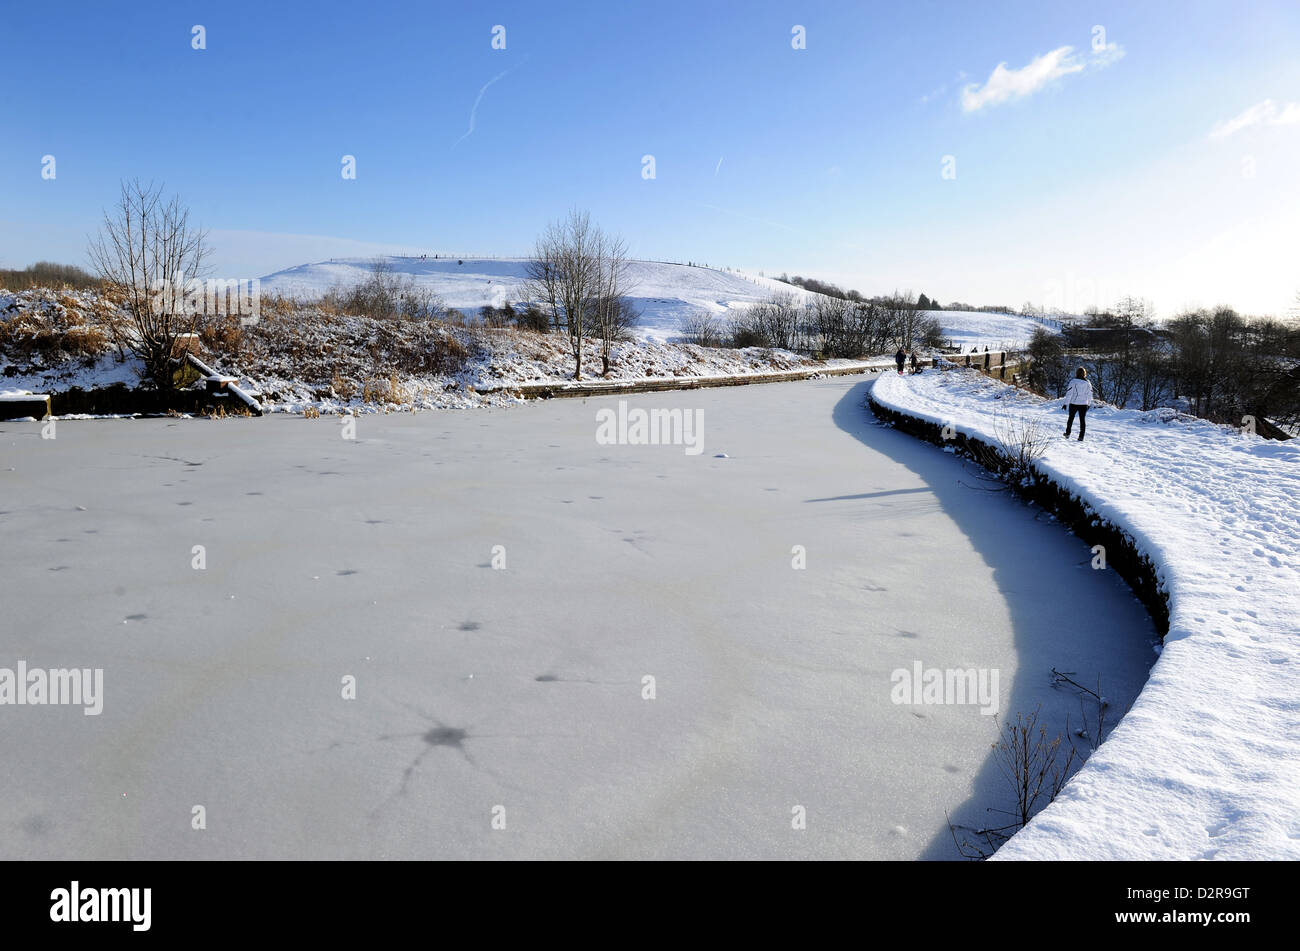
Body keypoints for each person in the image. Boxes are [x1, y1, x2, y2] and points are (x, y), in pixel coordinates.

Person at [1063, 367, 1093, 441]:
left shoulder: (1073, 381)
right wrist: (1088, 404)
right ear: (1084, 373)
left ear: (1077, 373)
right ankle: (1081, 437)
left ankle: (1067, 433)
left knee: (1070, 418)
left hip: (1074, 403)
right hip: (1084, 404)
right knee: (1082, 420)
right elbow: (1090, 394)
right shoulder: (1087, 382)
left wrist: (1065, 403)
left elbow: (1069, 393)